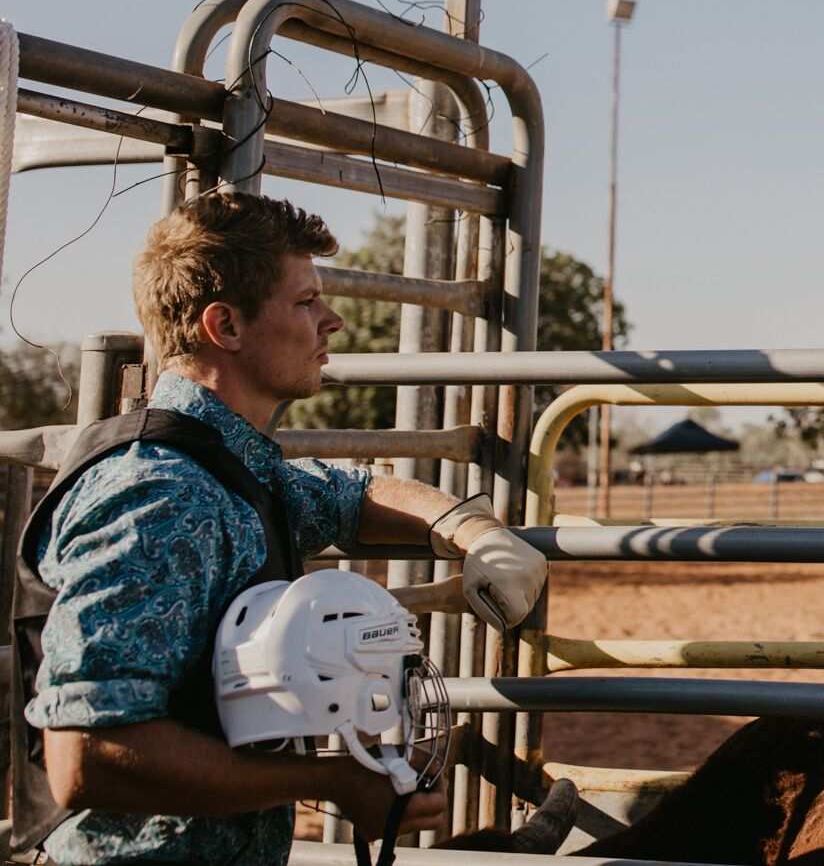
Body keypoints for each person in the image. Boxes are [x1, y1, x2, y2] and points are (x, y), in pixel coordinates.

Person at [13, 193, 550, 864]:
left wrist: (470, 528)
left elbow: (351, 496)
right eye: (305, 301)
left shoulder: (226, 466)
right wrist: (331, 781)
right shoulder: (160, 497)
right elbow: (86, 753)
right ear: (226, 325)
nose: (333, 320)